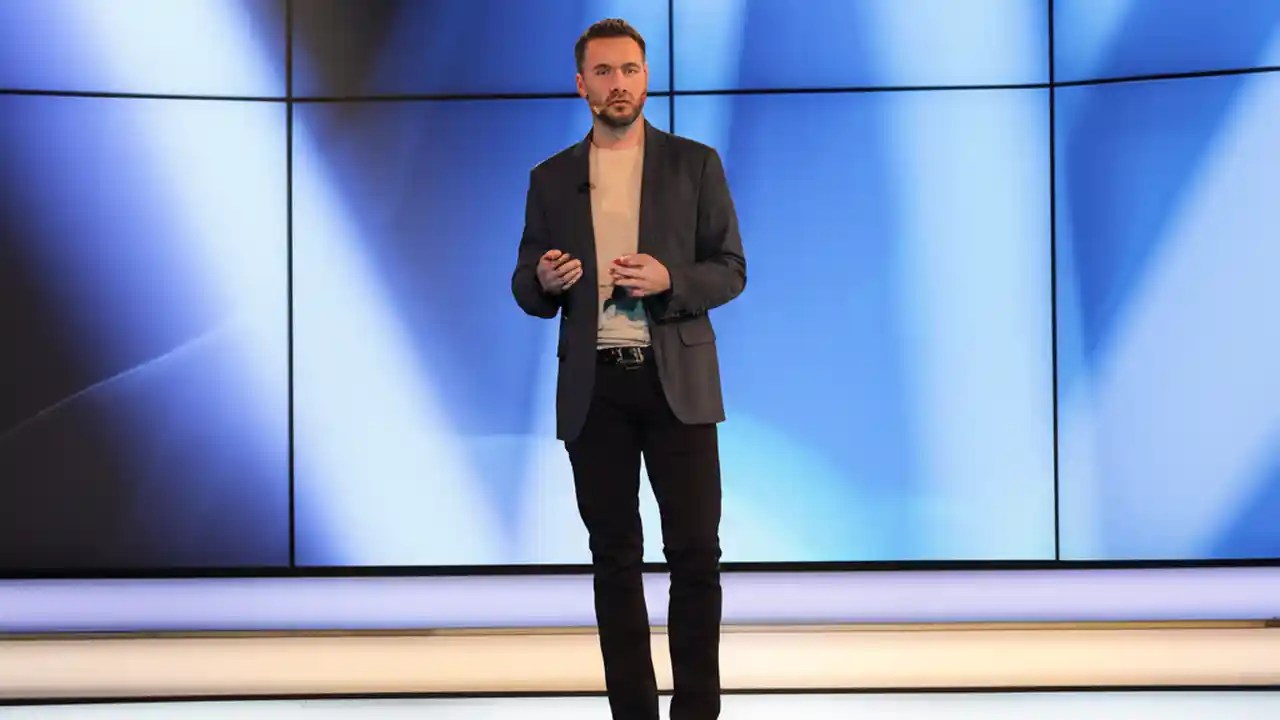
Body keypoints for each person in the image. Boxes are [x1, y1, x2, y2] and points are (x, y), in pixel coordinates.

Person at [510, 17, 746, 720]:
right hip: (597, 387)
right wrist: (546, 281)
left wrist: (669, 277)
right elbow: (525, 284)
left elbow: (730, 270)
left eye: (631, 71)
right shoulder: (550, 178)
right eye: (606, 72)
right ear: (581, 84)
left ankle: (697, 711)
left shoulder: (693, 164)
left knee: (696, 556)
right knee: (615, 559)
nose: (620, 84)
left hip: (676, 380)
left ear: (647, 79)